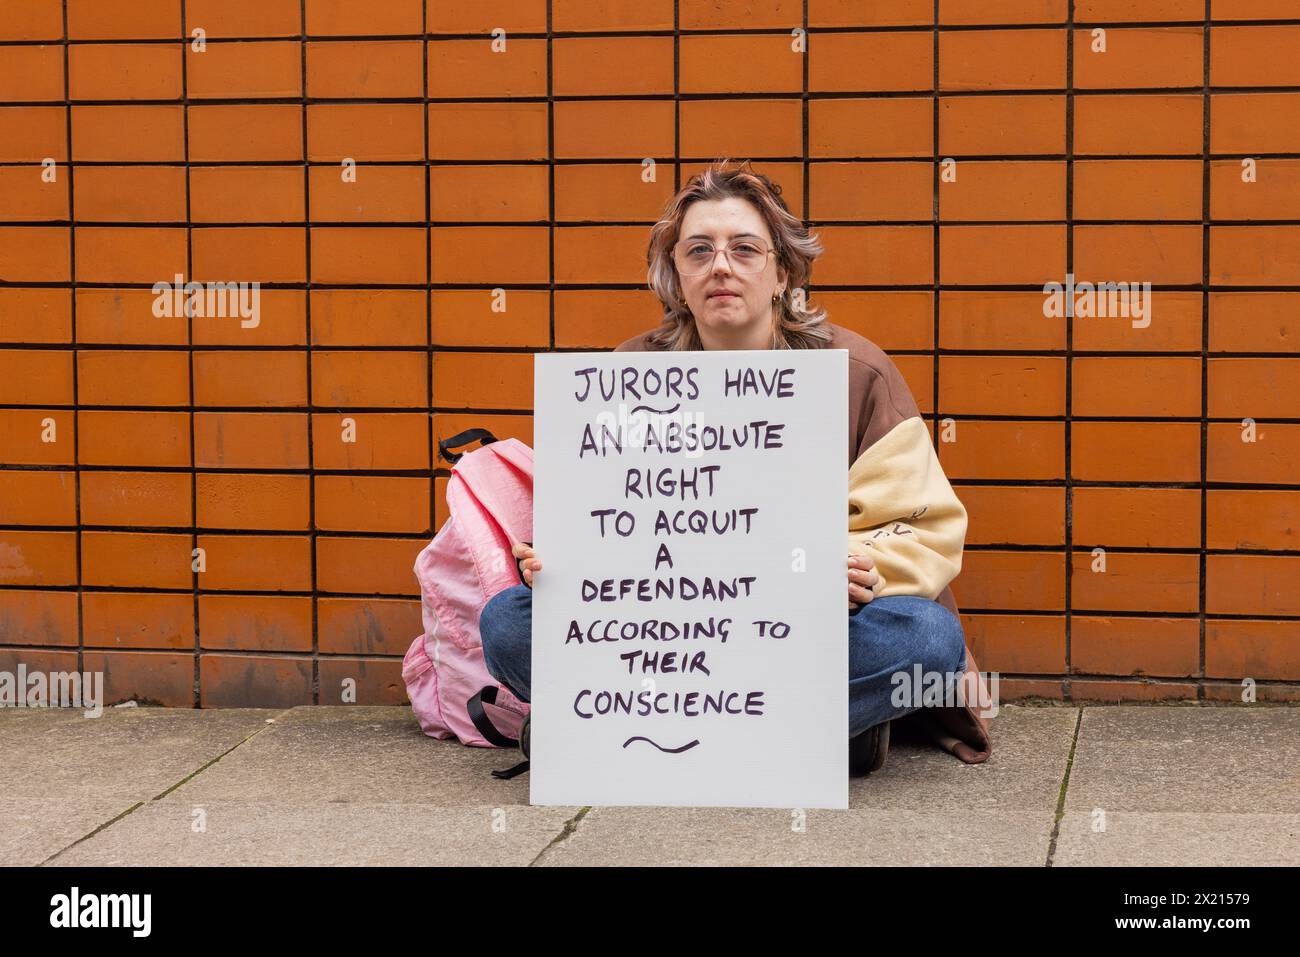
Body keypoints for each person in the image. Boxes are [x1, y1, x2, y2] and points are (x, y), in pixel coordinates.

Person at [480, 158, 990, 776]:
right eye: (698, 251)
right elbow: (597, 521)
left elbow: (923, 526)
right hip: (666, 632)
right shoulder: (627, 373)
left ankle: (629, 726)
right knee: (507, 623)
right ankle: (816, 729)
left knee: (927, 639)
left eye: (744, 249)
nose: (720, 266)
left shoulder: (857, 371)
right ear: (676, 275)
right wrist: (555, 562)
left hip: (807, 625)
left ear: (782, 271)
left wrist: (858, 566)